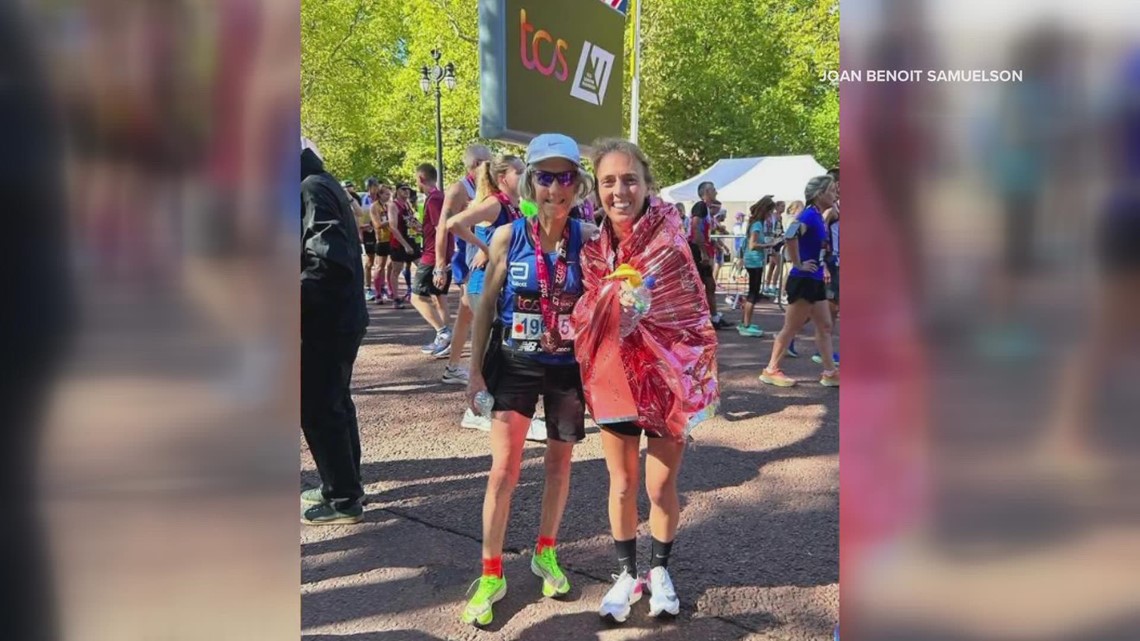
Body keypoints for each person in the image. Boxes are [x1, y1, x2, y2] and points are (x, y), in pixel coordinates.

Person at [571, 138, 719, 623]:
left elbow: (693, 316)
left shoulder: (671, 242)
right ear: (597, 189)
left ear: (646, 184)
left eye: (629, 179)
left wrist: (648, 316)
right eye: (609, 181)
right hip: (614, 379)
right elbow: (584, 312)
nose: (619, 190)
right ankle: (624, 574)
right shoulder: (593, 249)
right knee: (620, 483)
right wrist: (608, 313)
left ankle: (658, 570)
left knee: (659, 488)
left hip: (665, 379)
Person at [460, 134, 592, 627]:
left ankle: (545, 553)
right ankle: (491, 574)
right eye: (544, 176)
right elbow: (484, 307)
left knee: (559, 466)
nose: (555, 188)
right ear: (529, 182)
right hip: (514, 363)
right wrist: (474, 371)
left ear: (577, 184)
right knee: (503, 471)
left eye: (564, 177)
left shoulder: (589, 240)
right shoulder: (505, 237)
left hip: (566, 370)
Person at [300, 139, 369, 524]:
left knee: (320, 408)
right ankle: (344, 484)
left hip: (324, 321)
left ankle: (342, 498)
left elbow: (327, 263)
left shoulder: (310, 187)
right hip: (337, 319)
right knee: (335, 404)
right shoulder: (320, 182)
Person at [444, 154, 530, 432]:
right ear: (504, 178)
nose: (525, 173)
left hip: (501, 286)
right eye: (520, 171)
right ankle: (476, 410)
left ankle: (493, 406)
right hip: (484, 284)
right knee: (487, 347)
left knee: (500, 347)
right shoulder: (495, 204)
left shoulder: (516, 206)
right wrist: (484, 248)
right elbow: (453, 223)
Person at [759, 175, 840, 388]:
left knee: (825, 325)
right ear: (819, 194)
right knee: (791, 328)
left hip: (814, 280)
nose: (836, 194)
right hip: (803, 280)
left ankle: (830, 372)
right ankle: (771, 370)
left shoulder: (816, 215)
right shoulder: (809, 216)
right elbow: (790, 234)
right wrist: (798, 263)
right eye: (832, 190)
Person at [437, 144, 493, 384]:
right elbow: (444, 226)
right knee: (480, 315)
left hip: (482, 256)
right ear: (471, 165)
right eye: (480, 162)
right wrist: (440, 264)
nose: (484, 166)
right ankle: (479, 375)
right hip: (468, 258)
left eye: (487, 162)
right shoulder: (459, 189)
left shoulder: (488, 187)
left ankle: (453, 367)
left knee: (466, 314)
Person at [409, 163, 454, 355]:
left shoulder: (435, 199)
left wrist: (439, 265)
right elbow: (436, 228)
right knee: (439, 297)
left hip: (432, 257)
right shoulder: (437, 198)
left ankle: (443, 334)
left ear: (420, 178)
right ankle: (444, 339)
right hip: (438, 255)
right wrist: (420, 227)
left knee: (417, 297)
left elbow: (441, 229)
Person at [689, 183, 731, 329]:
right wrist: (702, 252)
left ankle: (713, 317)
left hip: (700, 248)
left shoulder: (705, 209)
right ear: (706, 192)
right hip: (696, 250)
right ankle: (701, 319)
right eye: (714, 189)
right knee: (701, 285)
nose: (716, 192)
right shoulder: (700, 206)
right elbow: (695, 229)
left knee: (709, 285)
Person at [739, 196, 778, 336]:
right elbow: (753, 245)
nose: (771, 214)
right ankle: (746, 324)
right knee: (753, 294)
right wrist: (769, 245)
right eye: (770, 211)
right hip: (754, 261)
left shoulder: (756, 223)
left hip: (754, 260)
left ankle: (745, 322)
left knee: (752, 293)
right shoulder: (757, 225)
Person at [386, 183, 420, 309]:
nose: (406, 192)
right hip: (399, 242)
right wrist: (405, 245)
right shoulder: (393, 205)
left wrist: (422, 229)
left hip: (411, 239)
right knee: (396, 269)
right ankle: (396, 298)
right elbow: (393, 227)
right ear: (397, 191)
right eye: (403, 189)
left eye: (408, 190)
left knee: (422, 266)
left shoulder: (407, 204)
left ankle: (418, 292)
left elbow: (412, 221)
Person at [359, 178, 383, 301]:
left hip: (381, 232)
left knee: (382, 262)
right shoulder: (362, 198)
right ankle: (368, 288)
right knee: (369, 262)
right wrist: (361, 230)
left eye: (377, 185)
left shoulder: (381, 198)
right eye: (374, 185)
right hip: (368, 232)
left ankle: (381, 287)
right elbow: (357, 216)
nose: (376, 188)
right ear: (369, 187)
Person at [370, 182, 393, 303]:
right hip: (381, 239)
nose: (388, 196)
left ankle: (390, 290)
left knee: (392, 265)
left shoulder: (390, 205)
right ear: (380, 195)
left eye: (389, 194)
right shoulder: (375, 206)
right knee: (380, 266)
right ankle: (378, 293)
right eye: (386, 194)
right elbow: (377, 224)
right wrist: (391, 221)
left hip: (392, 238)